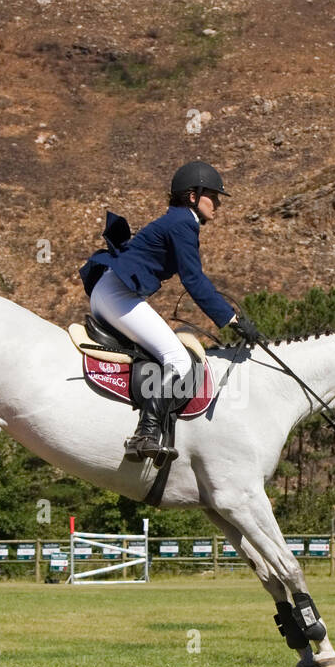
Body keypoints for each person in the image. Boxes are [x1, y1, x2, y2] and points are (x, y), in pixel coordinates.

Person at [78, 161, 261, 462]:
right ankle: (146, 433)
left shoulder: (177, 221)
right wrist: (232, 320)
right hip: (116, 294)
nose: (217, 204)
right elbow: (194, 280)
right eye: (212, 196)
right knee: (178, 359)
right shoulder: (182, 223)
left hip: (109, 292)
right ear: (192, 196)